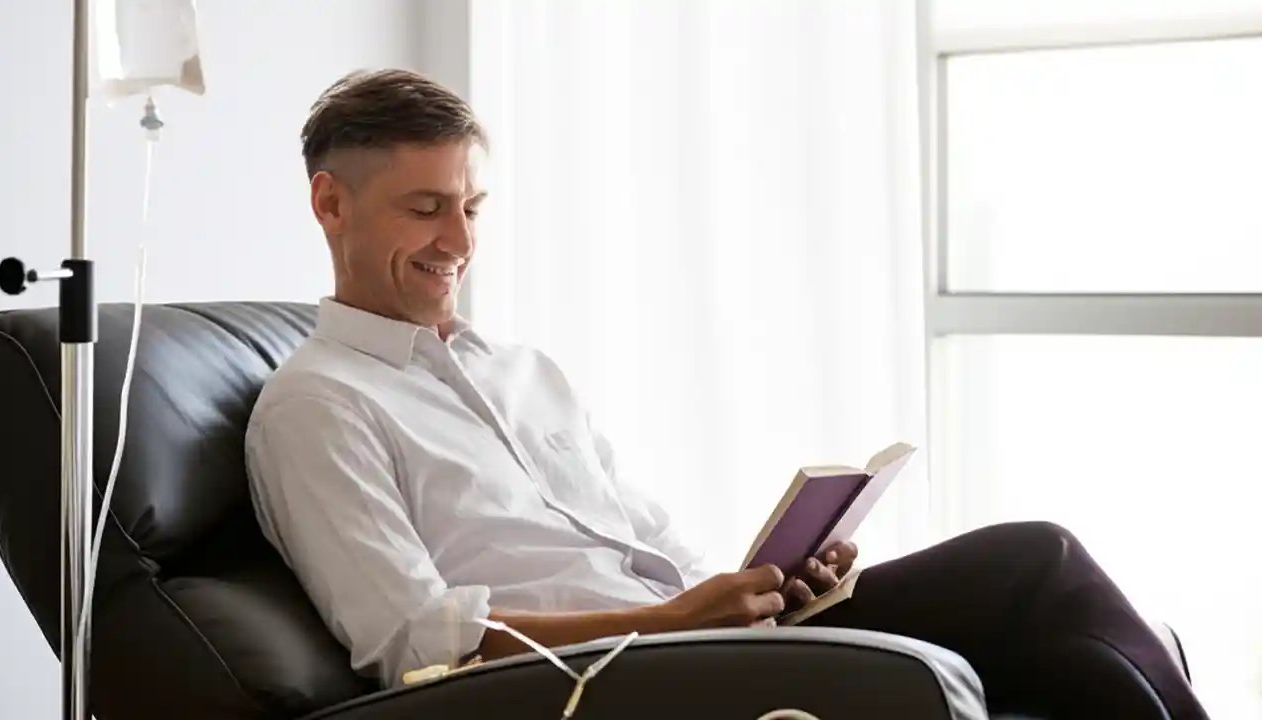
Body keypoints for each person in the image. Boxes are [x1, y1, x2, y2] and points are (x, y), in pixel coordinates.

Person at [245, 69, 1207, 719]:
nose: (459, 239)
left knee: (1052, 615)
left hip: (704, 637)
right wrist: (675, 622)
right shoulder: (319, 407)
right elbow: (414, 643)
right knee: (1032, 565)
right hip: (616, 681)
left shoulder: (524, 371)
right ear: (332, 204)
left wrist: (768, 584)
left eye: (472, 206)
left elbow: (661, 549)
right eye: (425, 209)